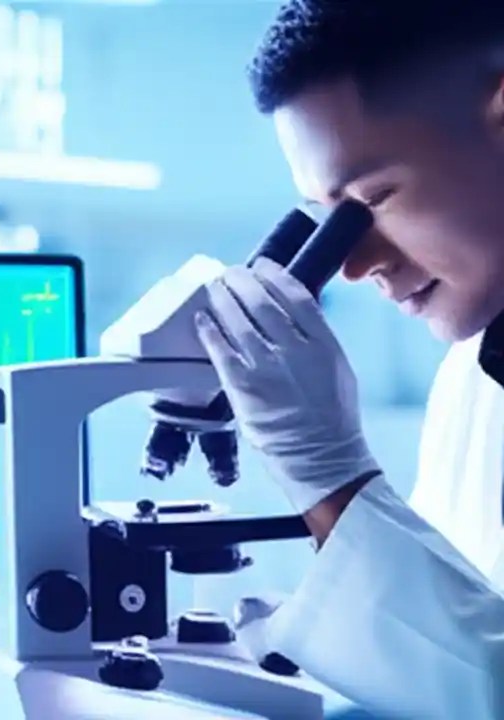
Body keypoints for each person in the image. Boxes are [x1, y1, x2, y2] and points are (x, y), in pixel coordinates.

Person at [197, 2, 504, 717]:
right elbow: (457, 630)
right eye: (328, 217)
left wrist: (329, 476)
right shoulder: (472, 375)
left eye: (373, 198)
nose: (356, 265)